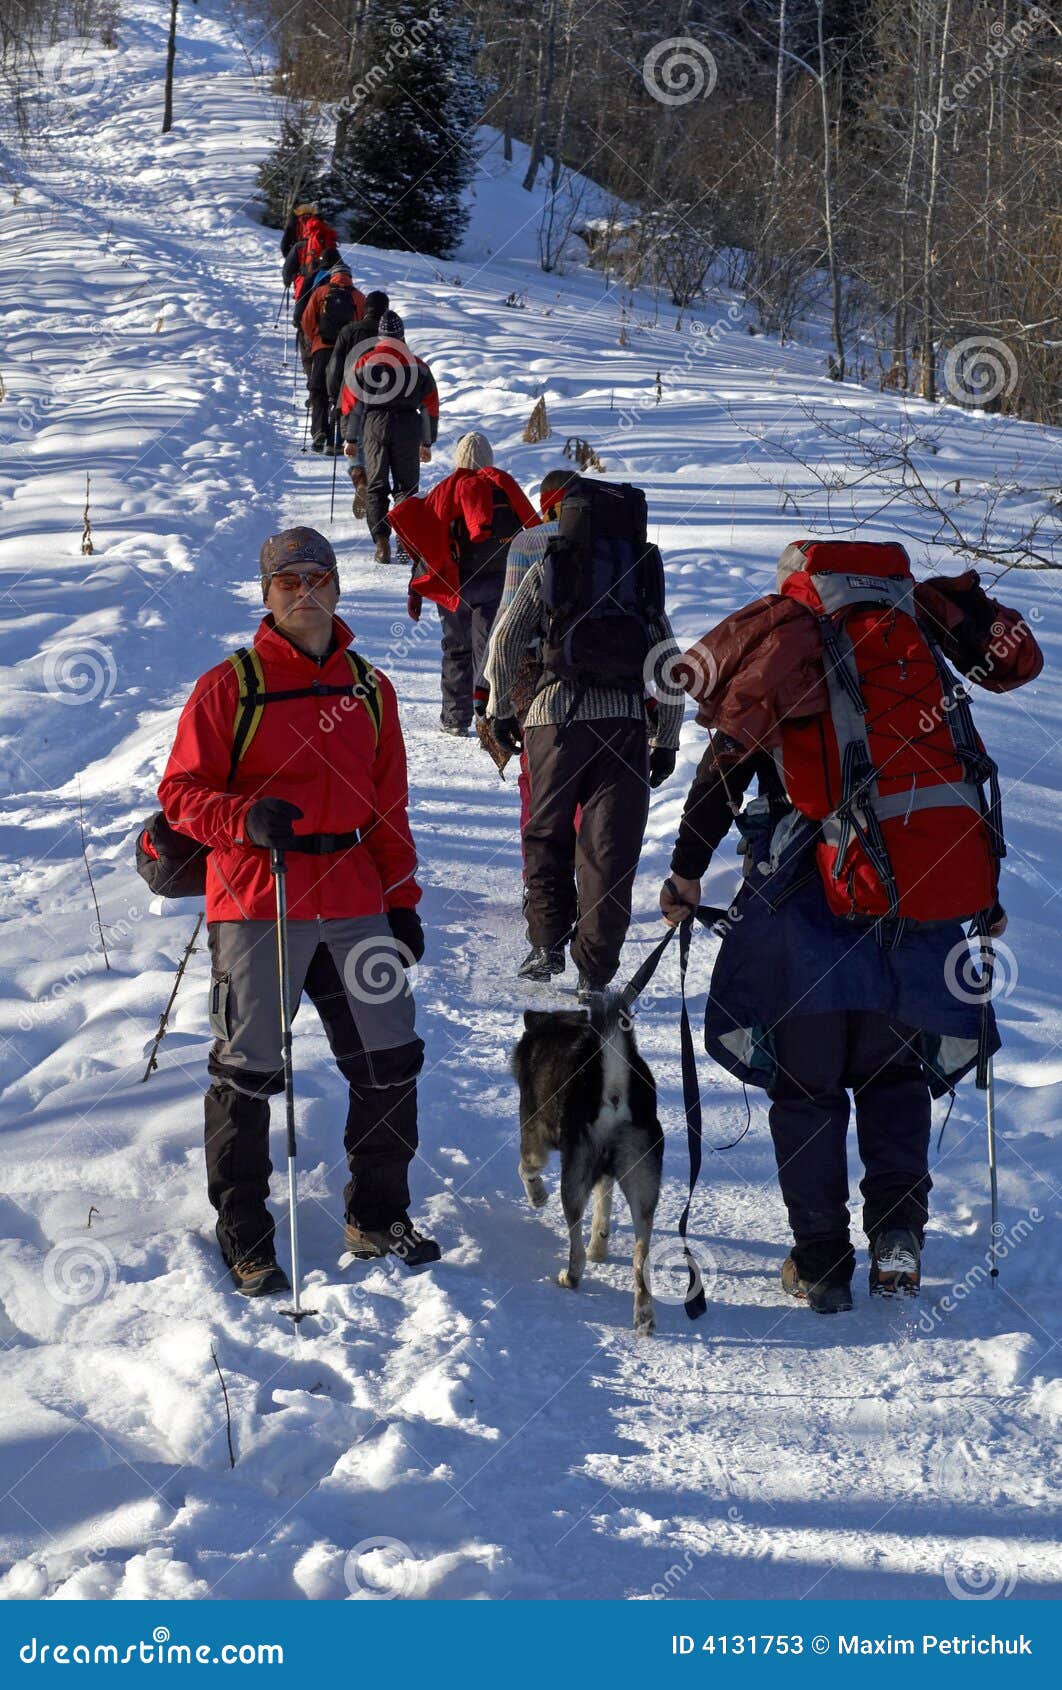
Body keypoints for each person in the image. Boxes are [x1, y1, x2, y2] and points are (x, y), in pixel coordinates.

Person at [658, 539, 1038, 1313]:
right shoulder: (919, 631)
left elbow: (728, 758)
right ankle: (898, 1236)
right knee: (896, 1075)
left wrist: (688, 868)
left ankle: (824, 1262)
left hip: (812, 902)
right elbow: (962, 757)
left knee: (808, 1089)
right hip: (924, 896)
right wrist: (981, 891)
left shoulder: (795, 634)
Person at [157, 526, 438, 1296]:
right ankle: (245, 1232)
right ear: (268, 596)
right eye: (289, 582)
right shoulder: (231, 685)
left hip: (354, 902)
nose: (306, 591)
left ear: (339, 587)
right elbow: (179, 795)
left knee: (391, 1055)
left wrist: (401, 904)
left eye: (319, 577)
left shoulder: (369, 691)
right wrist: (243, 818)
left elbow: (390, 811)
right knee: (247, 1071)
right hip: (258, 901)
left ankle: (377, 1216)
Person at [485, 478, 683, 998]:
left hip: (554, 719)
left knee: (547, 834)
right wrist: (666, 739)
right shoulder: (638, 573)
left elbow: (505, 637)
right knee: (609, 853)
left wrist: (500, 708)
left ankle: (546, 946)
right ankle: (594, 974)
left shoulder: (549, 559)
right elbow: (669, 661)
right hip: (625, 728)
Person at [402, 432, 539, 736]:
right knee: (489, 651)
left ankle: (455, 718)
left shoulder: (446, 492)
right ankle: (489, 716)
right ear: (490, 458)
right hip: (497, 584)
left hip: (455, 586)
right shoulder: (505, 489)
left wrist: (416, 585)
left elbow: (429, 542)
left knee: (456, 648)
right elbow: (531, 531)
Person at [339, 310, 439, 564]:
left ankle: (381, 543)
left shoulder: (364, 363)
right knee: (406, 487)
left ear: (380, 335)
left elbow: (352, 404)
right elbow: (430, 406)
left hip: (374, 426)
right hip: (408, 426)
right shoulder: (418, 365)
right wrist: (426, 442)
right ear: (402, 335)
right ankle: (405, 543)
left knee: (376, 487)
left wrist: (350, 438)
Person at [299, 267, 364, 451]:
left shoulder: (320, 292)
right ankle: (337, 439)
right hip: (347, 351)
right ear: (350, 277)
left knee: (318, 390)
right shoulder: (358, 297)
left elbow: (307, 320)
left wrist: (315, 340)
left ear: (332, 276)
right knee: (342, 393)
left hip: (322, 348)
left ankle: (319, 429)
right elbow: (361, 324)